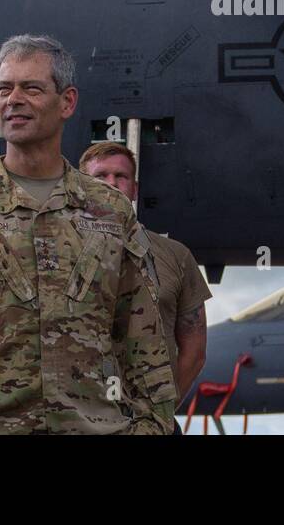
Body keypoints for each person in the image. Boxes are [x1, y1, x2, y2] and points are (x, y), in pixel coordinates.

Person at [0, 34, 176, 433]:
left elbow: (144, 341)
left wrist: (151, 428)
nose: (14, 99)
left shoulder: (110, 213)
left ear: (67, 102)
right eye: (5, 88)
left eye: (31, 88)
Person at [79, 141, 212, 401]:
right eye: (100, 176)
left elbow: (194, 352)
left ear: (134, 189)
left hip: (149, 420)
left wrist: (161, 415)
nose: (111, 183)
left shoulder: (176, 256)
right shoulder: (52, 250)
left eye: (121, 176)